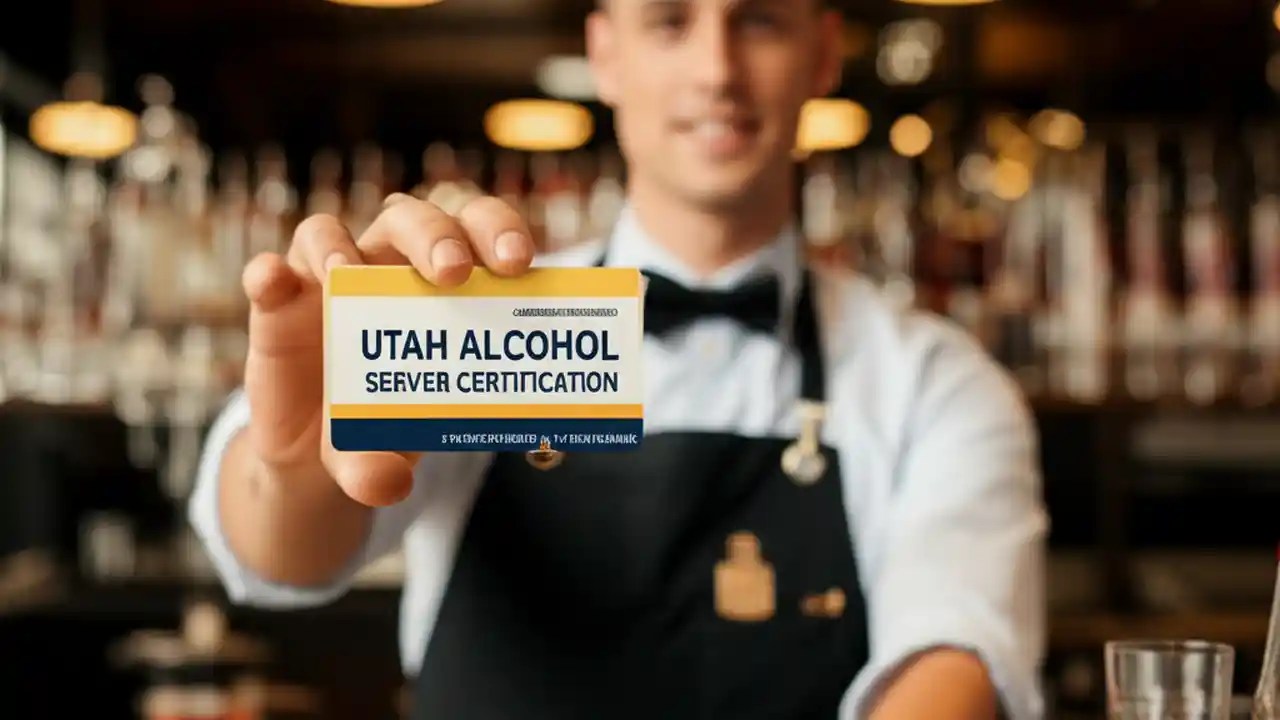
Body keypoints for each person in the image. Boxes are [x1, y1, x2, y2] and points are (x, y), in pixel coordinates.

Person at [189, 0, 1049, 717]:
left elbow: (955, 659)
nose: (716, 69)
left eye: (758, 21)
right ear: (605, 54)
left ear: (823, 53)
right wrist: (290, 465)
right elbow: (279, 556)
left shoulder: (932, 381)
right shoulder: (483, 314)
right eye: (671, 21)